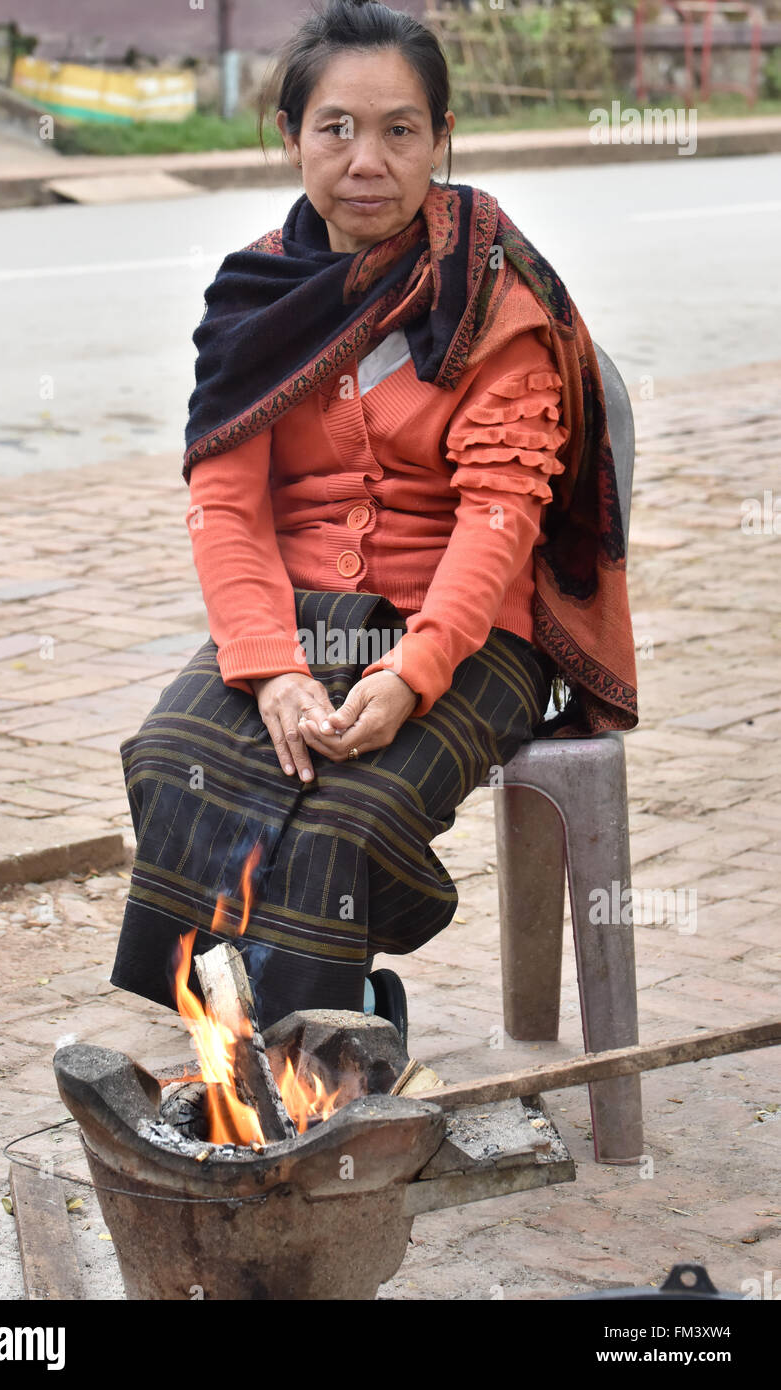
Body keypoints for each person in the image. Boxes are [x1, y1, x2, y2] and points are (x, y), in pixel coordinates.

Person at [109, 0, 638, 1038]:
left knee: (351, 816)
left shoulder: (494, 295)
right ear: (291, 137)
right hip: (296, 615)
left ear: (442, 138)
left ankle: (323, 1032)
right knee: (170, 757)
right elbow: (225, 502)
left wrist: (413, 673)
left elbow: (501, 512)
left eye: (401, 129)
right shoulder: (258, 297)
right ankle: (272, 1025)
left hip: (472, 631)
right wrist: (269, 666)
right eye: (336, 127)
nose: (368, 158)